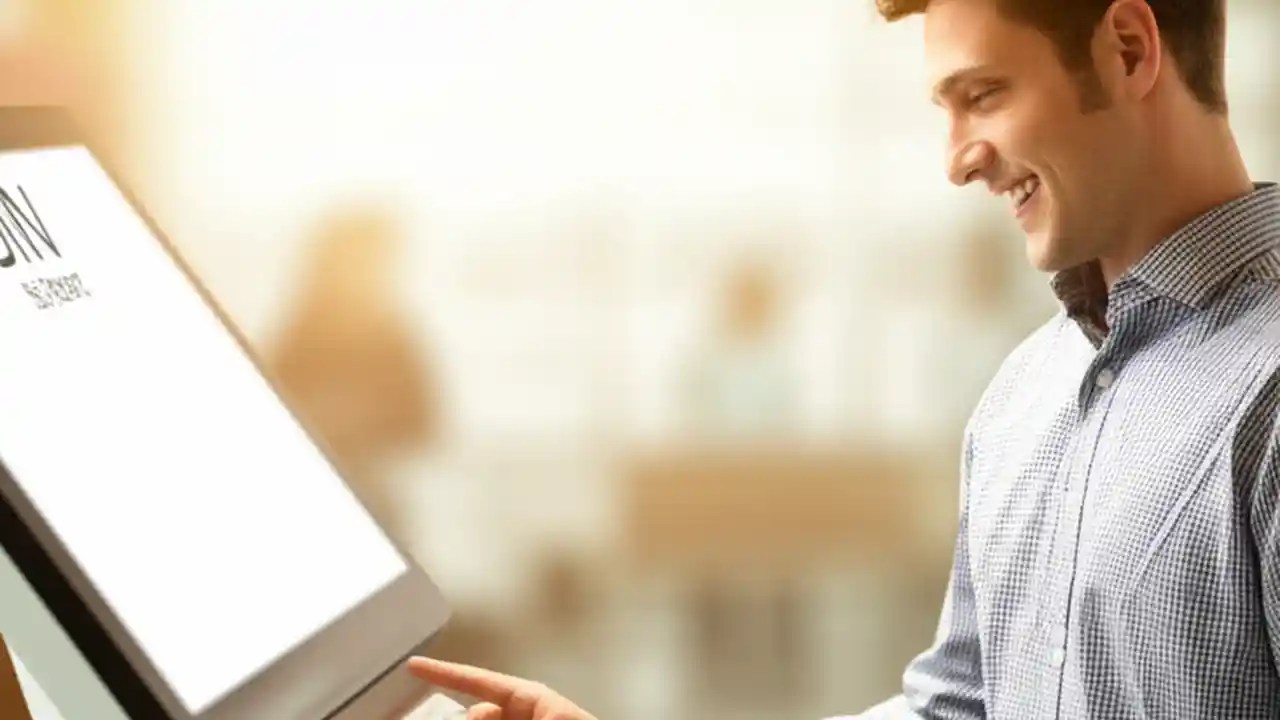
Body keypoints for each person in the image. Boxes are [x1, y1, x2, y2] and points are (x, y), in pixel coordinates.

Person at [409, 0, 1280, 717]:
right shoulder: (1024, 396)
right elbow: (957, 710)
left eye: (983, 93)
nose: (956, 160)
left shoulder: (1267, 397)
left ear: (1128, 50)